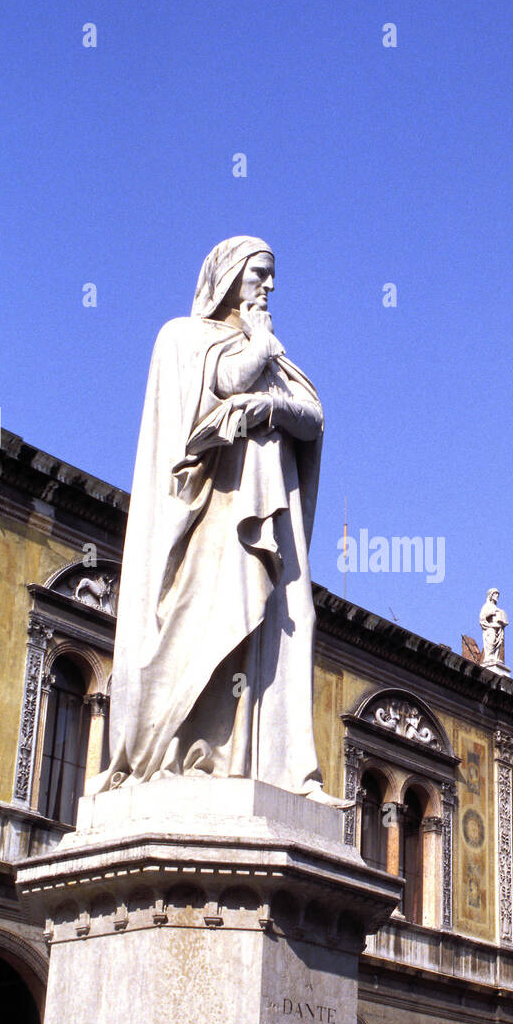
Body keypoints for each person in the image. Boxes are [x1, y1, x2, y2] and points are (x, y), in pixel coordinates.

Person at [96, 237, 340, 802]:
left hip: (270, 524)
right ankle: (190, 754)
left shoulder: (274, 357)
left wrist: (270, 406)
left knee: (289, 618)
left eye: (273, 276)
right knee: (215, 622)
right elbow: (226, 383)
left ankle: (282, 769)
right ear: (230, 275)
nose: (270, 286)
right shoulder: (183, 338)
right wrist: (257, 345)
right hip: (211, 521)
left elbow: (314, 416)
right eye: (260, 274)